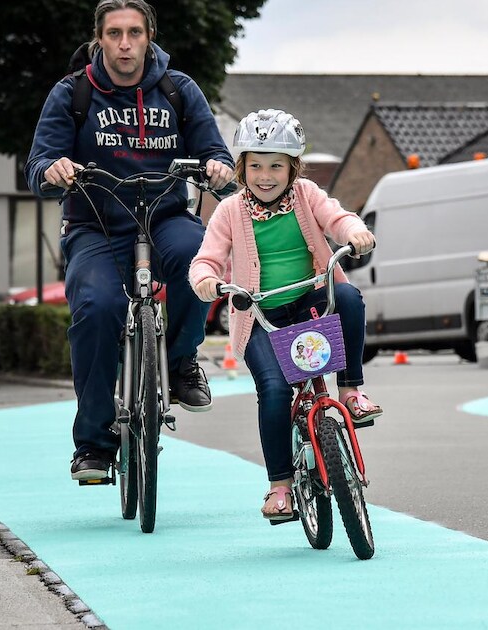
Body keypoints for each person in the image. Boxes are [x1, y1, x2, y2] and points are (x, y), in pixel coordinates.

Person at [25, 0, 235, 481]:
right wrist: (53, 170)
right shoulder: (72, 93)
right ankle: (94, 445)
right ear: (99, 39)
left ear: (149, 37)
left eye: (134, 33)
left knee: (197, 258)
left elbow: (216, 156)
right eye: (114, 33)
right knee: (97, 309)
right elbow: (38, 166)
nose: (125, 44)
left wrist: (219, 169)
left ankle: (180, 363)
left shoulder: (178, 90)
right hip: (95, 225)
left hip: (165, 217)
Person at [188, 109, 383, 522]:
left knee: (348, 297)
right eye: (256, 166)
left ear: (293, 168)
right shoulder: (229, 211)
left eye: (276, 165)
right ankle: (280, 486)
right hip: (260, 316)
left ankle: (350, 391)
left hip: (310, 302)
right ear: (242, 168)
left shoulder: (307, 195)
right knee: (275, 392)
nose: (266, 176)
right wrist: (206, 279)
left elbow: (337, 217)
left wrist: (353, 232)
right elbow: (207, 258)